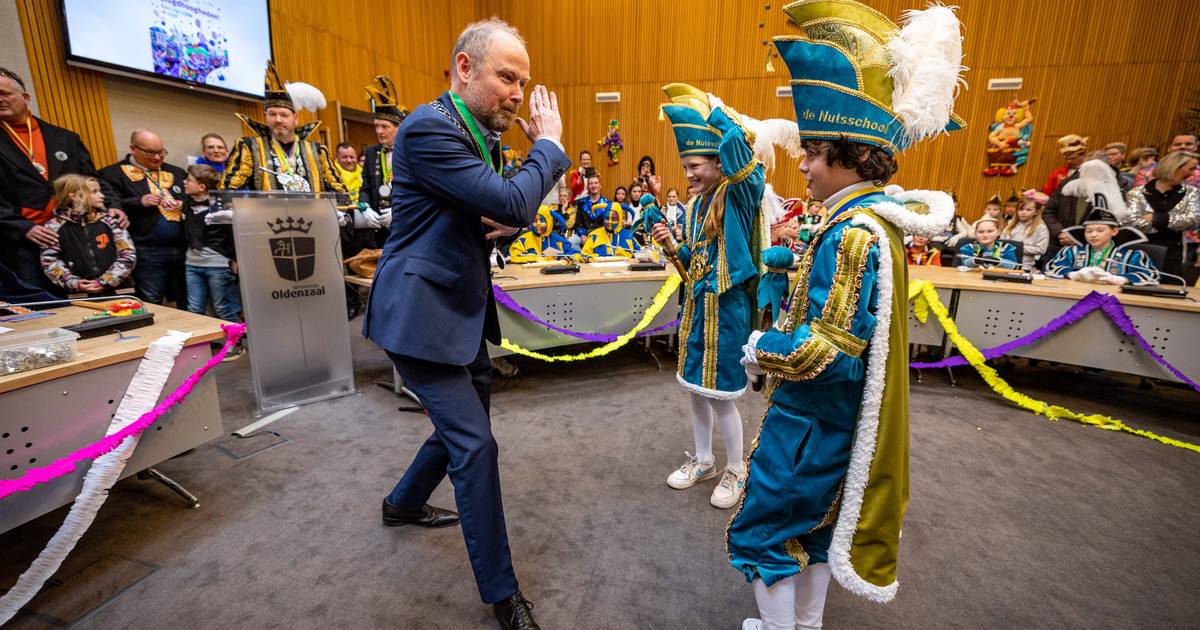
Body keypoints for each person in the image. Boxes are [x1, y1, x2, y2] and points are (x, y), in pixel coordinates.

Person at [733, 3, 965, 626]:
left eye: (811, 152)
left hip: (811, 424)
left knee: (762, 532)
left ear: (846, 156)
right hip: (836, 425)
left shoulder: (852, 232)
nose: (802, 165)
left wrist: (760, 347)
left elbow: (827, 351)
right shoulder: (867, 222)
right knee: (810, 533)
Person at [360, 18, 567, 630]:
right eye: (507, 77)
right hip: (420, 314)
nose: (517, 94)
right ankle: (504, 596)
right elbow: (507, 198)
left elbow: (498, 209)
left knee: (465, 420)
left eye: (523, 83)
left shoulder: (477, 134)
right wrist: (549, 148)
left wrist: (509, 218)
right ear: (464, 68)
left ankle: (401, 504)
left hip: (459, 308)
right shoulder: (427, 126)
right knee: (475, 445)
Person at [650, 83, 764, 511]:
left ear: (719, 162)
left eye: (696, 165)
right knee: (697, 391)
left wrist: (716, 113)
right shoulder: (697, 206)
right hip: (698, 310)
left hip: (728, 312)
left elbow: (747, 165)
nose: (689, 175)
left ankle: (737, 467)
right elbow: (695, 260)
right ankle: (704, 460)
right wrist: (670, 244)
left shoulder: (738, 194)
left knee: (722, 397)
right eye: (685, 167)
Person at [0, 67, 127, 293]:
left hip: (74, 234)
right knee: (41, 309)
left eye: (4, 93)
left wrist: (114, 205)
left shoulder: (65, 138)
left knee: (89, 304)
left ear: (25, 97)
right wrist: (23, 228)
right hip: (26, 241)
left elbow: (91, 178)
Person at [222, 62, 346, 198]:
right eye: (272, 114)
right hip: (268, 217)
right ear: (265, 117)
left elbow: (338, 189)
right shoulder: (250, 147)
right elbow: (229, 189)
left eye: (284, 115)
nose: (278, 120)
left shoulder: (317, 151)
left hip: (312, 217)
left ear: (296, 119)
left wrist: (340, 208)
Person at [99, 129, 189, 305]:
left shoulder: (177, 172)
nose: (157, 158)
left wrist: (183, 204)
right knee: (151, 299)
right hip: (147, 250)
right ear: (133, 149)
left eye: (161, 152)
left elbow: (193, 200)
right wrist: (139, 202)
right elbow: (110, 205)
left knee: (187, 298)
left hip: (183, 247)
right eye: (150, 153)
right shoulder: (112, 174)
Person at [40, 174, 136, 295]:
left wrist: (104, 281)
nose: (102, 196)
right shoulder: (53, 227)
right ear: (74, 196)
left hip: (119, 290)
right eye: (94, 192)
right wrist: (74, 283)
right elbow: (50, 262)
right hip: (81, 294)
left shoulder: (110, 221)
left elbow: (127, 255)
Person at [1122, 150, 1200, 278]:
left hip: (1172, 253)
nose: (1192, 174)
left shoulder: (1192, 193)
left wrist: (1157, 218)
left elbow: (1193, 220)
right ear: (1175, 166)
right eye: (1190, 169)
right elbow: (1130, 222)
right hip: (1139, 250)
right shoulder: (1136, 193)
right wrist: (1173, 223)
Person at [181, 164, 241, 324]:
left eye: (189, 180)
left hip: (217, 264)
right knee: (194, 308)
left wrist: (235, 258)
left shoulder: (219, 206)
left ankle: (236, 343)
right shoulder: (187, 203)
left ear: (201, 187)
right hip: (192, 263)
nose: (184, 182)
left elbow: (230, 234)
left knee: (223, 307)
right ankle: (202, 347)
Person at [1047, 206, 1159, 285]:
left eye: (1100, 230)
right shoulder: (1071, 251)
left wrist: (1121, 279)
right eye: (1089, 231)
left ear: (1114, 231)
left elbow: (1151, 275)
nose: (1093, 235)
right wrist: (1073, 274)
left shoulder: (1132, 255)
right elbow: (1051, 268)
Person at [361, 75, 410, 249]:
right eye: (376, 126)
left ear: (398, 127)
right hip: (378, 228)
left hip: (406, 225)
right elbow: (365, 187)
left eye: (385, 127)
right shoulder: (372, 152)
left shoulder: (410, 151)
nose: (379, 131)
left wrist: (399, 212)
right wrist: (364, 207)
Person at [509, 204, 578, 262]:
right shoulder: (524, 240)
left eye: (542, 221)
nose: (538, 224)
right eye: (535, 221)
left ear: (549, 222)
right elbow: (512, 256)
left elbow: (576, 254)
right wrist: (534, 258)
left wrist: (564, 259)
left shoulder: (558, 240)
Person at [1001, 195, 1050, 268]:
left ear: (1036, 212)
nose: (1023, 212)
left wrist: (1018, 248)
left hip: (1025, 266)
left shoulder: (1041, 228)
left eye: (1028, 210)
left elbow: (1041, 249)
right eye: (1021, 209)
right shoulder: (1010, 225)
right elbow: (1001, 242)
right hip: (1005, 264)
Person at [573, 169, 608, 238]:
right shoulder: (581, 202)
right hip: (584, 235)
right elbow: (578, 224)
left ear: (600, 185)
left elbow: (607, 226)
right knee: (572, 242)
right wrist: (582, 235)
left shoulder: (607, 204)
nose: (593, 185)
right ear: (588, 187)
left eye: (596, 183)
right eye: (591, 183)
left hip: (600, 237)